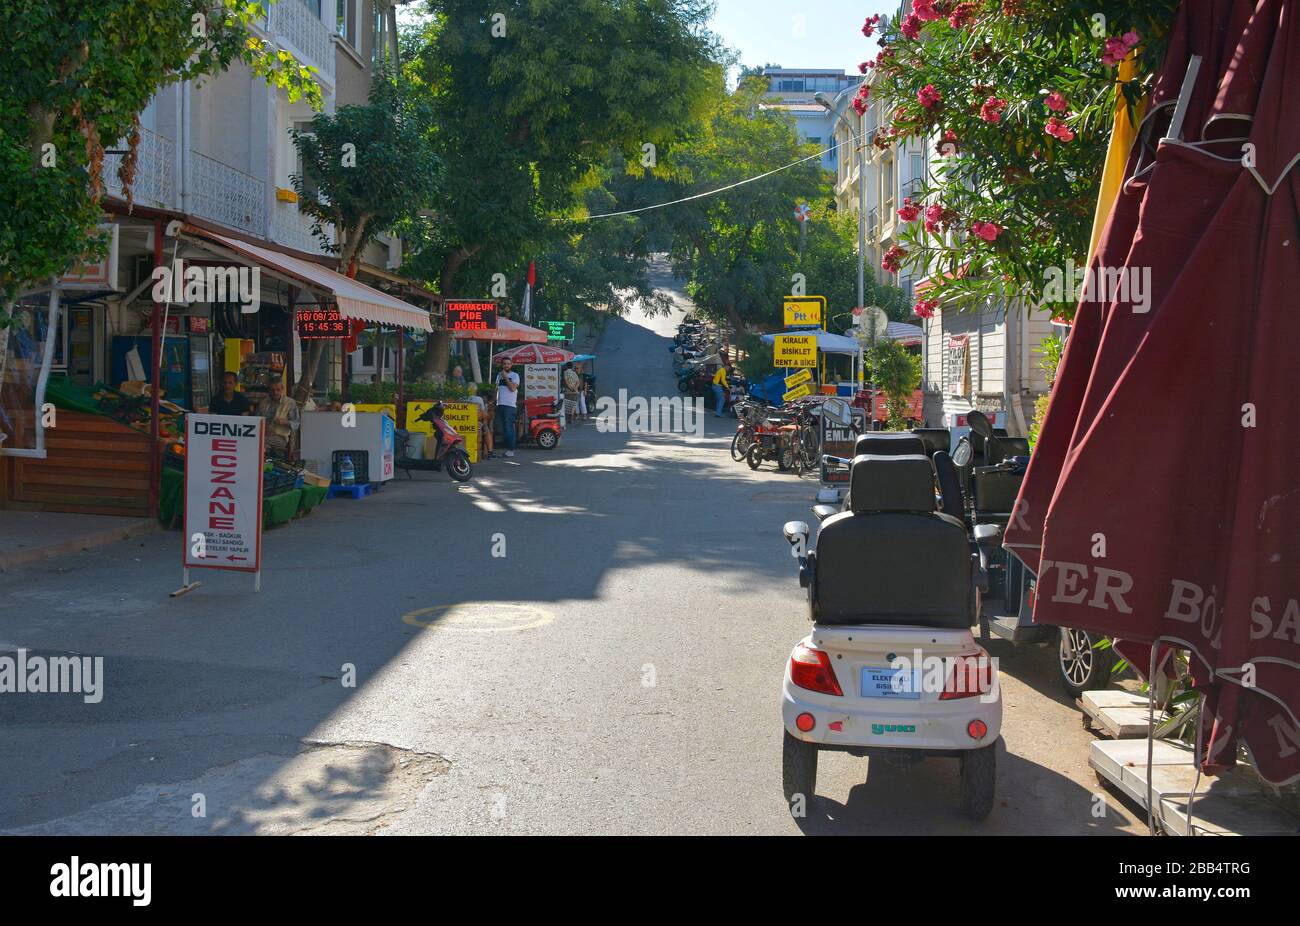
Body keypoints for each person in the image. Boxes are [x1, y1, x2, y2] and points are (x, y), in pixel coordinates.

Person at [256, 378, 300, 458]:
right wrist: (264, 429)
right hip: (264, 434)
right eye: (272, 390)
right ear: (269, 390)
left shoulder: (290, 403)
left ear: (282, 389)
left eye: (278, 390)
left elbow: (296, 423)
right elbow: (256, 420)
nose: (275, 392)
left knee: (259, 442)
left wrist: (286, 422)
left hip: (280, 437)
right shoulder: (263, 403)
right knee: (258, 441)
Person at [494, 357, 520, 458]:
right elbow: (496, 389)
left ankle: (511, 449)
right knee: (503, 428)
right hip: (500, 404)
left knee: (509, 428)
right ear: (502, 365)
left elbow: (513, 388)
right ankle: (508, 448)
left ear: (511, 365)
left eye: (508, 364)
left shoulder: (515, 375)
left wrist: (505, 377)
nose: (506, 365)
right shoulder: (498, 375)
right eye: (504, 364)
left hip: (510, 406)